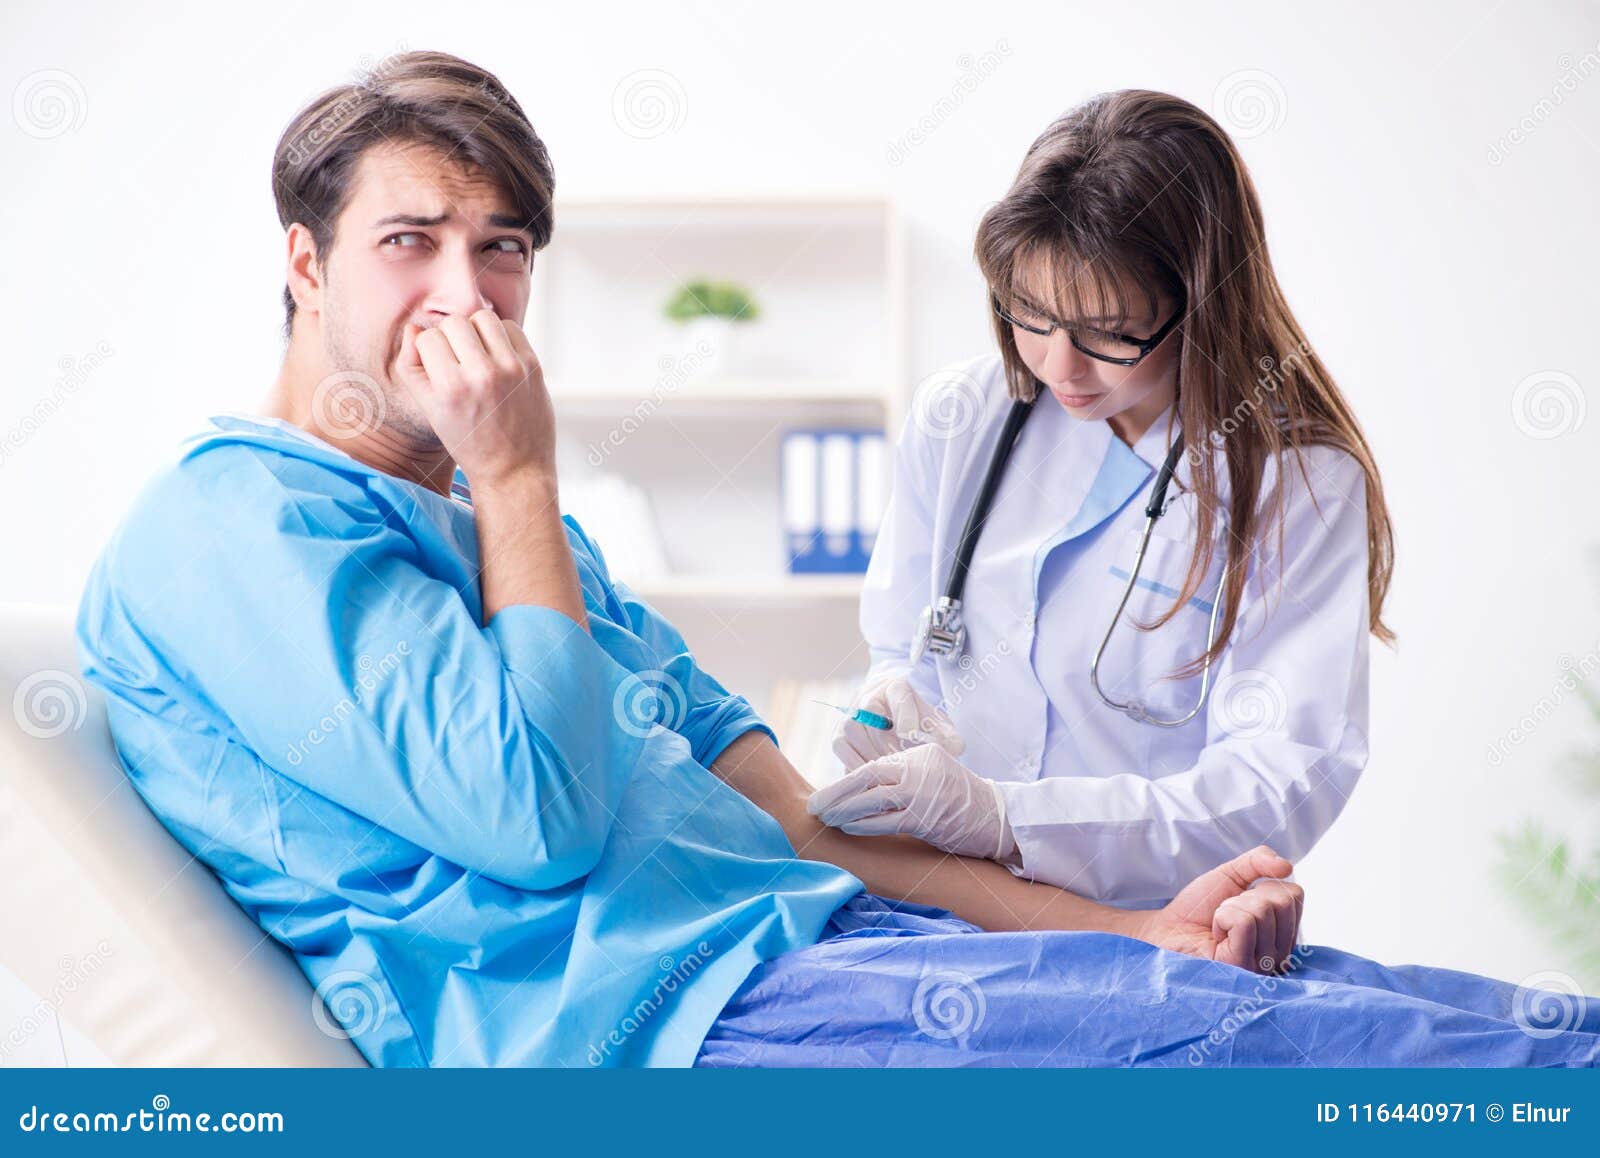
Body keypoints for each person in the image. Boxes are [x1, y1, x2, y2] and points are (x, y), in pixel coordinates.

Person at [74, 53, 1598, 1069]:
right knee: (1416, 1075)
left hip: (841, 945)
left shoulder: (525, 542)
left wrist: (1146, 930)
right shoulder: (229, 529)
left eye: (504, 247)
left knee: (1436, 1019)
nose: (468, 290)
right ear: (301, 259)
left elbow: (798, 820)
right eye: (411, 240)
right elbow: (532, 819)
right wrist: (517, 462)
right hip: (679, 1029)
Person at [812, 90, 1394, 910]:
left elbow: (1279, 779)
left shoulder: (1299, 483)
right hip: (946, 906)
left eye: (1110, 331)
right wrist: (893, 706)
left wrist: (1009, 818)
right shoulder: (964, 419)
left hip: (1152, 923)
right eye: (1031, 315)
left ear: (1202, 300)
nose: (1060, 367)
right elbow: (908, 647)